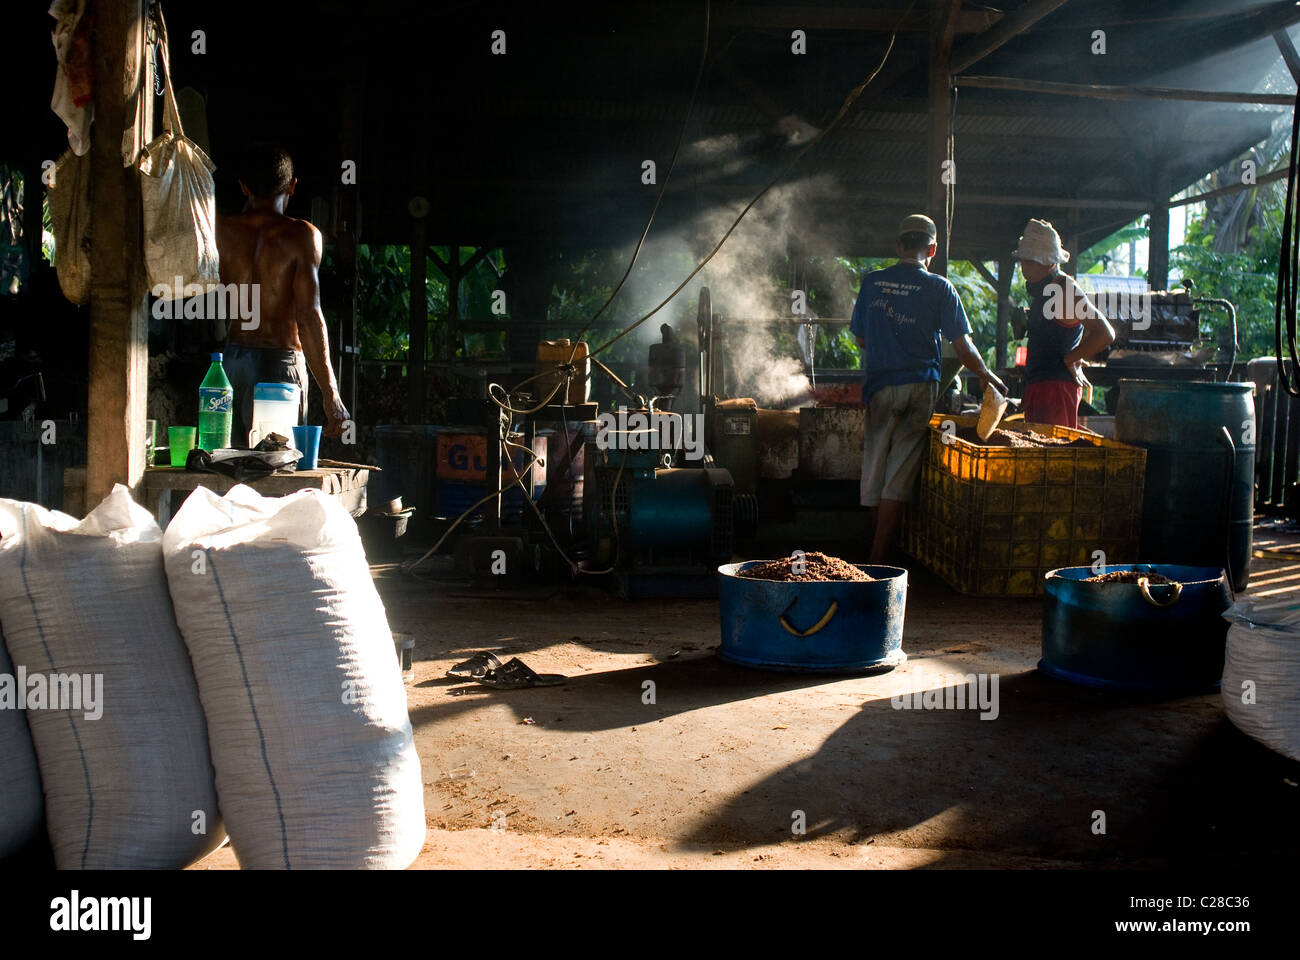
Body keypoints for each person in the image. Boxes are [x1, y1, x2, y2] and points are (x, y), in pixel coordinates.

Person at [851, 214, 1006, 564]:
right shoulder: (940, 288)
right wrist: (985, 375)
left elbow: (861, 337)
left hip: (879, 386)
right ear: (932, 249)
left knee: (874, 467)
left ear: (898, 245)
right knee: (900, 470)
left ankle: (870, 557)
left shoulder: (872, 282)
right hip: (920, 386)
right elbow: (963, 347)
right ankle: (879, 557)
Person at [216, 143, 350, 443]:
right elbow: (308, 315)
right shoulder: (302, 235)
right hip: (280, 365)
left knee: (229, 469)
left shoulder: (219, 230)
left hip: (232, 363)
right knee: (278, 473)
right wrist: (331, 395)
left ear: (243, 186)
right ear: (291, 186)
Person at [1013, 219, 1115, 428]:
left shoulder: (1066, 289)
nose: (1023, 267)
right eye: (1023, 260)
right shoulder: (1045, 291)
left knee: (1052, 454)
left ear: (1049, 261)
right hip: (1038, 386)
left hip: (1056, 391)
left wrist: (1072, 357)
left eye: (1029, 261)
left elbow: (1105, 333)